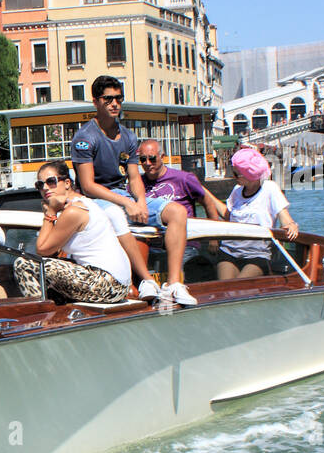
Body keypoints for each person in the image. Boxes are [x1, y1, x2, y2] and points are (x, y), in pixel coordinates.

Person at [69, 75, 162, 301]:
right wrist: (127, 203)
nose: (114, 104)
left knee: (177, 213)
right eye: (108, 99)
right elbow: (89, 187)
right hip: (98, 198)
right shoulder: (84, 138)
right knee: (116, 215)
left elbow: (134, 177)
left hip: (123, 195)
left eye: (118, 99)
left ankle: (177, 283)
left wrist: (140, 201)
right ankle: (143, 280)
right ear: (96, 102)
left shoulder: (129, 136)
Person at [13, 161, 130, 304]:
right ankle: (55, 312)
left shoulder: (74, 211)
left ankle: (40, 317)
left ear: (67, 183)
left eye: (51, 181)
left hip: (106, 282)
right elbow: (51, 254)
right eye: (40, 185)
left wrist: (49, 213)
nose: (45, 188)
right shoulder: (81, 204)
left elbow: (43, 250)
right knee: (49, 279)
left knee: (24, 265)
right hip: (115, 283)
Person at [134, 140, 227, 306]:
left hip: (186, 246)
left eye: (152, 158)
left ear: (162, 157)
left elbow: (208, 203)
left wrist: (214, 238)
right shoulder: (137, 184)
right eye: (143, 160)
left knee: (183, 287)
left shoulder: (183, 178)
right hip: (153, 246)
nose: (147, 164)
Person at [216, 147, 300, 280]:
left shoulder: (270, 189)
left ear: (250, 174)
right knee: (224, 287)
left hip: (257, 254)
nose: (233, 177)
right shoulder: (237, 191)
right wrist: (203, 193)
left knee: (238, 287)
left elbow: (285, 218)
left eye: (237, 174)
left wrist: (291, 225)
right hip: (229, 250)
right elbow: (228, 215)